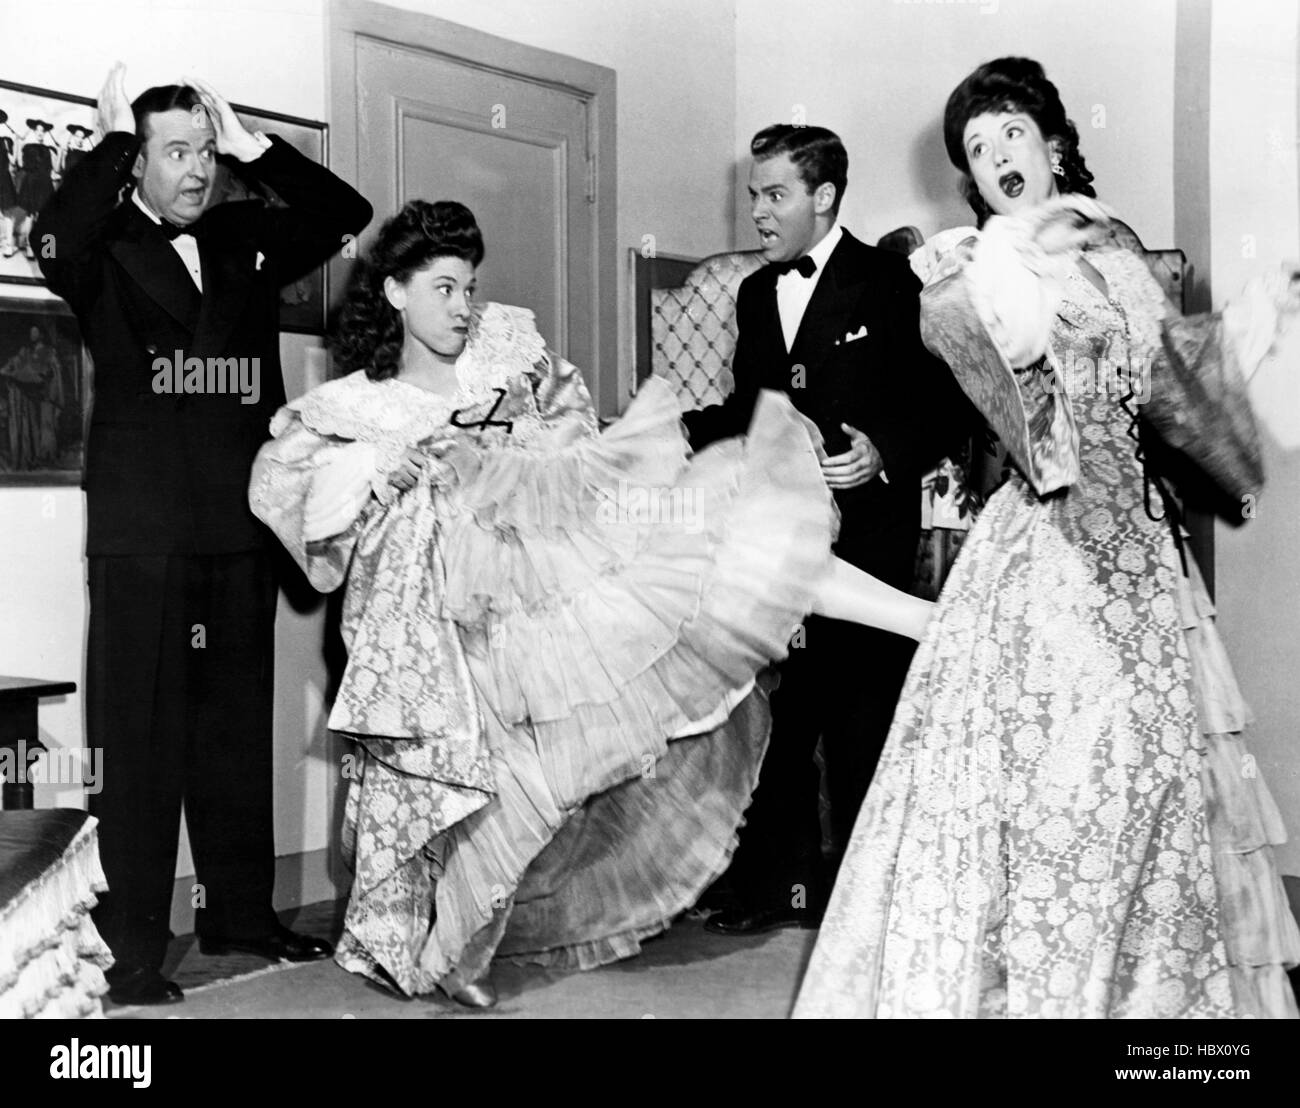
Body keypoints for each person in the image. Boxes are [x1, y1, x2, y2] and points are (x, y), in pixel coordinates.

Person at [249, 199, 937, 1007]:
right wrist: (383, 475)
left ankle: (930, 621)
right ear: (395, 293)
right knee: (465, 775)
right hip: (429, 621)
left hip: (534, 585)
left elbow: (575, 451)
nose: (461, 307)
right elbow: (309, 517)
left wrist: (523, 448)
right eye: (441, 288)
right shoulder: (361, 405)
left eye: (469, 288)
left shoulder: (506, 360)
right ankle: (441, 947)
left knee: (716, 541)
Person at [794, 57, 1300, 1018]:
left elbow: (1179, 387)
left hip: (1144, 558)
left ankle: (1139, 1007)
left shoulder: (1121, 258)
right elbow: (986, 344)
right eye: (977, 152)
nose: (995, 156)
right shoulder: (968, 265)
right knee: (1053, 787)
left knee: (1149, 780)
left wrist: (1257, 316)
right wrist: (1013, 247)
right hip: (1044, 549)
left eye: (1010, 133)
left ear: (1055, 145)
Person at [36, 64, 373, 1006]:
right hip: (144, 534)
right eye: (175, 151)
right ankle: (134, 948)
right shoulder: (101, 248)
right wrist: (107, 140)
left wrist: (254, 143)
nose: (195, 168)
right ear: (136, 164)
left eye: (203, 150)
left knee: (232, 731)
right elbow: (50, 239)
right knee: (136, 744)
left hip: (238, 525)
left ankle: (240, 913)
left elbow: (346, 207)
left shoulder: (243, 235)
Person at [682, 124, 977, 934]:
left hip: (869, 545)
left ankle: (863, 899)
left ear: (826, 198)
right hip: (776, 539)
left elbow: (949, 405)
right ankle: (776, 888)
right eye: (752, 196)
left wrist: (885, 450)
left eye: (774, 195)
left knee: (860, 727)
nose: (758, 214)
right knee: (776, 720)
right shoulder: (751, 293)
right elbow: (752, 405)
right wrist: (676, 431)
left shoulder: (892, 283)